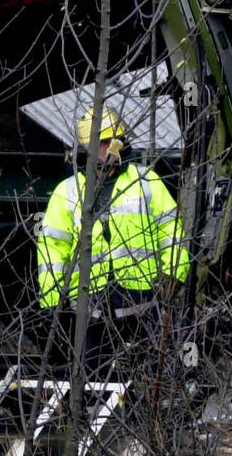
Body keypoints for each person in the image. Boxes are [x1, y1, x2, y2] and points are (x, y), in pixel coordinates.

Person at [35, 107, 189, 379]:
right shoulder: (67, 192)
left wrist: (173, 275)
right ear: (87, 148)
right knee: (89, 378)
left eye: (113, 141)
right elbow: (52, 249)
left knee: (150, 376)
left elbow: (172, 232)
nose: (109, 148)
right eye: (102, 142)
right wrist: (52, 301)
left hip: (142, 300)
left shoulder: (146, 182)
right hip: (88, 304)